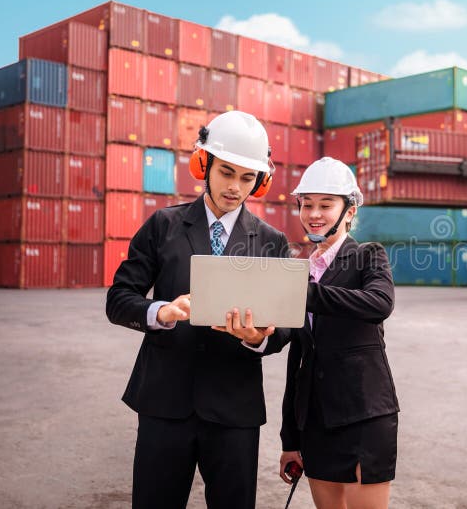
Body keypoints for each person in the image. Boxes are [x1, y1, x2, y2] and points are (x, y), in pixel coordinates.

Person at [106, 111, 290, 509]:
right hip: (164, 403)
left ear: (261, 181)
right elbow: (119, 299)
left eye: (247, 178)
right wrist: (162, 312)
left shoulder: (273, 242)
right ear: (203, 165)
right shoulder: (162, 226)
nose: (235, 187)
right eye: (227, 172)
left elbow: (287, 327)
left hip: (234, 410)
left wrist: (260, 339)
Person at [278, 157, 399, 509]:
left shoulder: (368, 257)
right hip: (315, 421)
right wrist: (290, 438)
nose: (314, 213)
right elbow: (297, 361)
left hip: (364, 414)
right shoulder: (301, 270)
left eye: (326, 205)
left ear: (349, 210)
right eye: (307, 204)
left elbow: (379, 303)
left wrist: (303, 290)